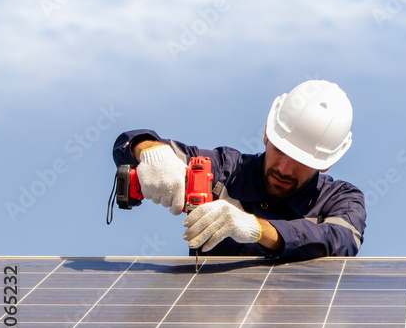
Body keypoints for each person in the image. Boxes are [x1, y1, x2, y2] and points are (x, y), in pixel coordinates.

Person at [111, 80, 366, 260]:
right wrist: (151, 153)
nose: (285, 169)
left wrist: (256, 229)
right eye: (280, 150)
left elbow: (342, 240)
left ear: (326, 162)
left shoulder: (340, 200)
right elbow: (129, 142)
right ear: (267, 132)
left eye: (301, 160)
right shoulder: (225, 172)